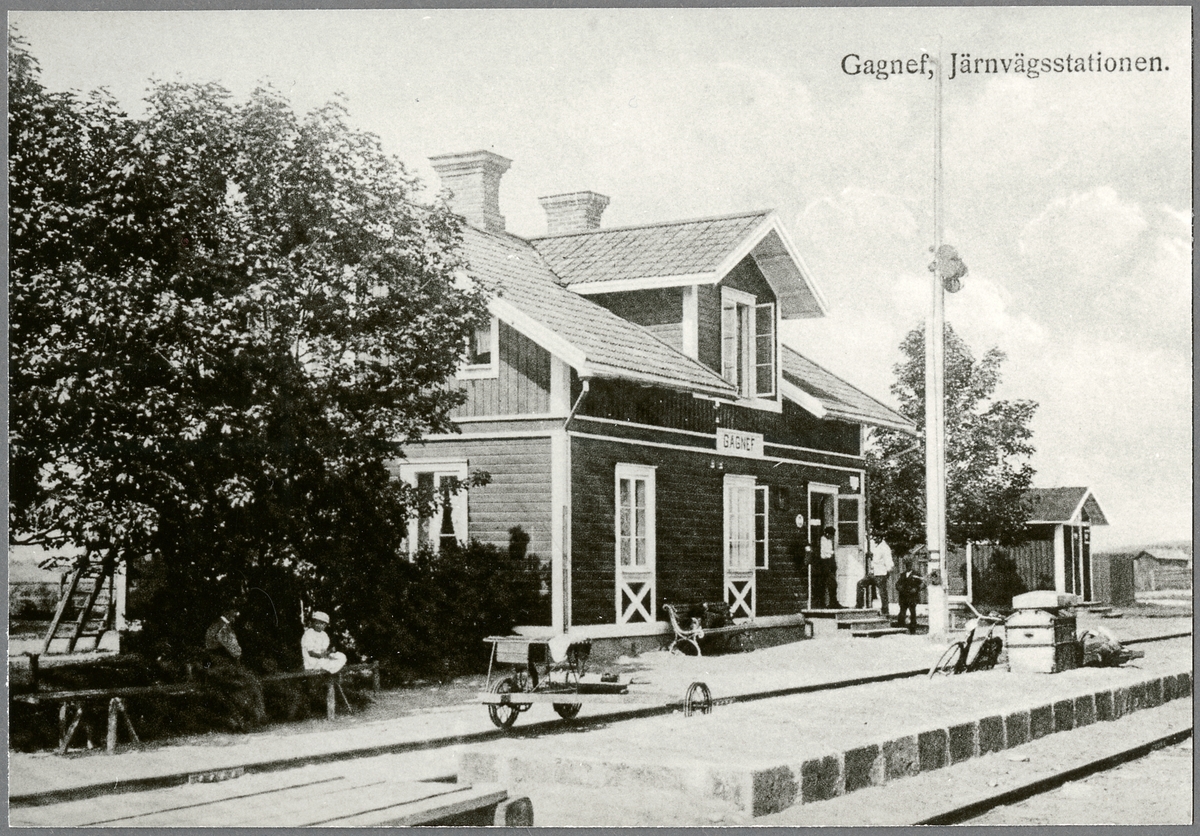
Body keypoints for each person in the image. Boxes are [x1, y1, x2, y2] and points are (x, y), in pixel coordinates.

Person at [203, 608, 268, 730]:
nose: (237, 615)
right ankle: (259, 715)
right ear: (227, 613)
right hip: (225, 667)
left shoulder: (216, 626)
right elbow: (235, 651)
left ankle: (255, 716)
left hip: (217, 668)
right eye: (234, 612)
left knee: (246, 684)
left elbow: (210, 653)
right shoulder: (222, 627)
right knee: (252, 683)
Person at [896, 560, 924, 634]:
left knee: (913, 613)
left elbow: (922, 584)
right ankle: (901, 628)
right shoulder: (902, 575)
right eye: (907, 565)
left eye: (910, 565)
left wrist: (916, 589)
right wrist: (899, 587)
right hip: (903, 597)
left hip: (912, 597)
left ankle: (913, 629)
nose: (908, 567)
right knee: (902, 612)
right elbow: (897, 584)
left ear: (912, 566)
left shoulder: (916, 574)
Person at [870, 538, 894, 617]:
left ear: (881, 538)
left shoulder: (885, 548)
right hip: (873, 573)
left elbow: (889, 561)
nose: (874, 539)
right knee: (860, 583)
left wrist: (888, 572)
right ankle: (859, 606)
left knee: (882, 593)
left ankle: (885, 611)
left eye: (876, 537)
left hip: (881, 573)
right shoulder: (874, 546)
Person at [819, 527, 841, 608]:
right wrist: (832, 552)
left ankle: (833, 602)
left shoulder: (829, 540)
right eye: (831, 535)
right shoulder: (823, 540)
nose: (831, 537)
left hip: (829, 562)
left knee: (832, 584)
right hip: (825, 563)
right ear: (827, 534)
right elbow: (825, 551)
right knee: (831, 583)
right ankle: (830, 603)